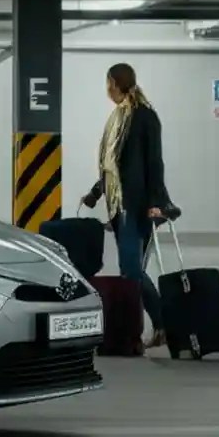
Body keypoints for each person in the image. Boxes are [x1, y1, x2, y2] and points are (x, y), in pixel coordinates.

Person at [82, 63, 171, 349]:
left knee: (131, 270)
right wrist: (96, 193)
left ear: (116, 83)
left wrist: (156, 202)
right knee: (130, 269)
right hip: (118, 205)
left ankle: (163, 322)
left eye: (108, 83)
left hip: (136, 204)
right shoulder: (118, 118)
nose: (107, 89)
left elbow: (154, 162)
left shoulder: (144, 117)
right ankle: (150, 328)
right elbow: (113, 165)